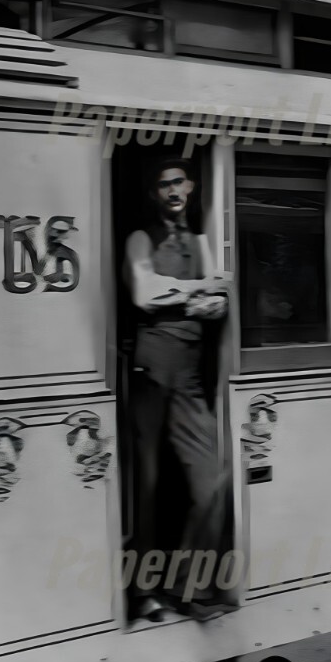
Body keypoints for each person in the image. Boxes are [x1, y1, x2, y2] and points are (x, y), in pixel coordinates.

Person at [124, 157, 232, 622]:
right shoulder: (140, 239)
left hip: (187, 373)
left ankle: (185, 583)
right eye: (163, 184)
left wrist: (187, 295)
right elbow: (143, 294)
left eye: (178, 182)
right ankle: (142, 593)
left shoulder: (202, 242)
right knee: (146, 484)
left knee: (214, 475)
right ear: (154, 193)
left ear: (189, 187)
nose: (172, 190)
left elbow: (220, 303)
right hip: (151, 368)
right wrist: (199, 290)